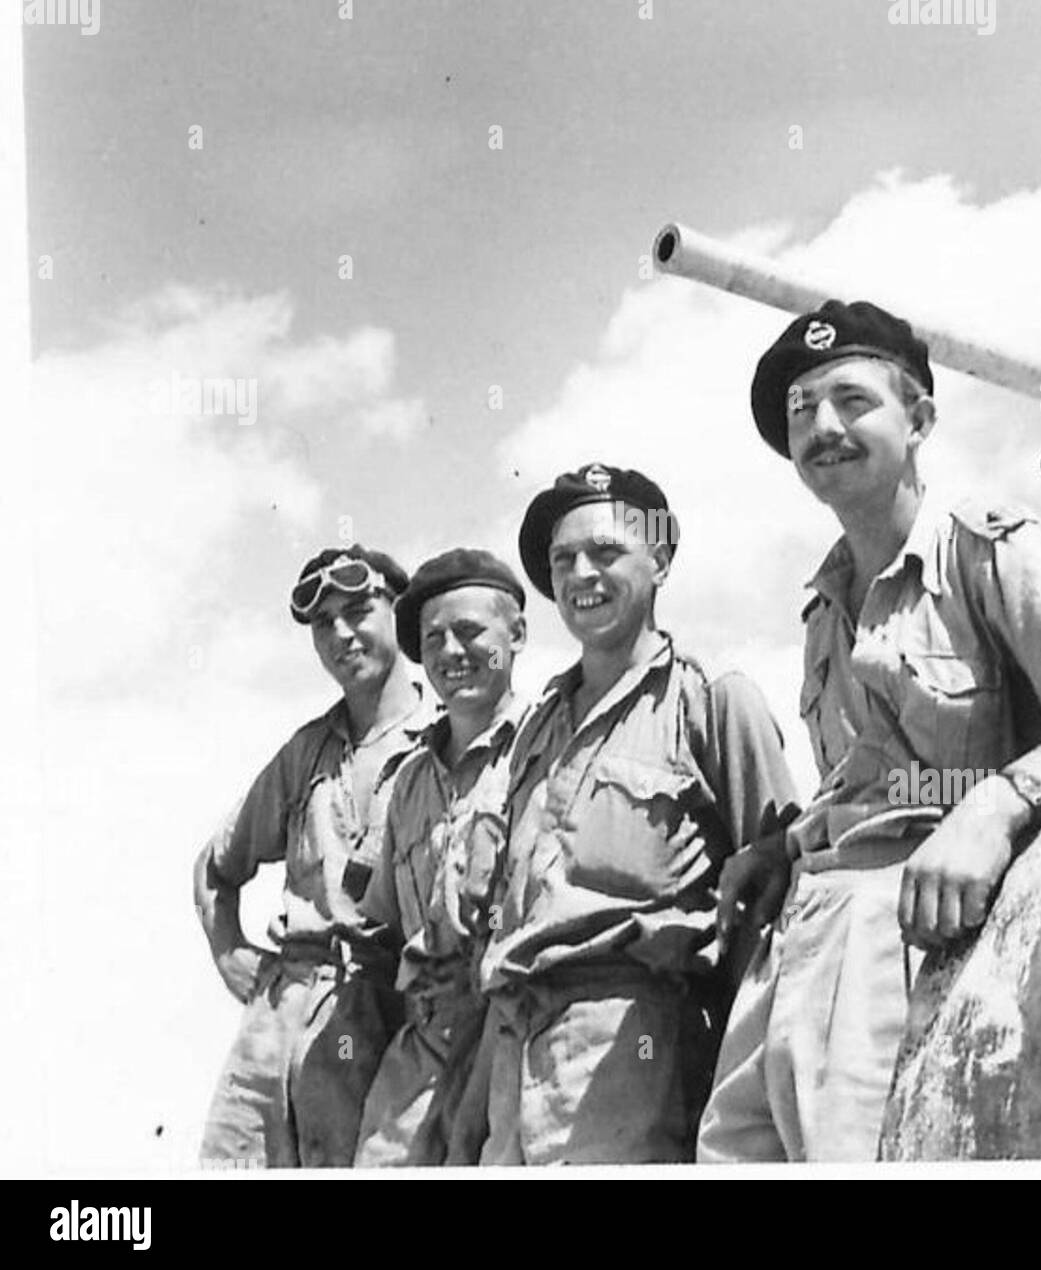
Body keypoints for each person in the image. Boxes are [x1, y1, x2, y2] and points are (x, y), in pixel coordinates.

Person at [697, 300, 1041, 1162]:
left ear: (919, 418)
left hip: (915, 945)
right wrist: (780, 851)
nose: (822, 427)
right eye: (801, 411)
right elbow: (875, 779)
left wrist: (993, 808)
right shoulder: (823, 606)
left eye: (852, 401)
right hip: (803, 947)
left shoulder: (989, 549)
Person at [474, 462, 800, 1164]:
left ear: (661, 558)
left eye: (607, 552)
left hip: (638, 1049)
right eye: (564, 560)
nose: (582, 574)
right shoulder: (536, 729)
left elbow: (776, 903)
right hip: (514, 1050)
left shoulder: (712, 701)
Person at [194, 544, 431, 1167]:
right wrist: (227, 950)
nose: (341, 634)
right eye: (323, 624)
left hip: (373, 1016)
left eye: (358, 611)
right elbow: (216, 865)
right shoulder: (306, 753)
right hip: (275, 1019)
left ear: (399, 613)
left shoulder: (445, 741)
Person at [353, 549, 529, 1166]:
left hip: (510, 1035)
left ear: (518, 635)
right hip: (421, 1044)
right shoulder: (407, 783)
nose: (453, 652)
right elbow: (382, 928)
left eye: (470, 631)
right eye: (433, 639)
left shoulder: (547, 746)